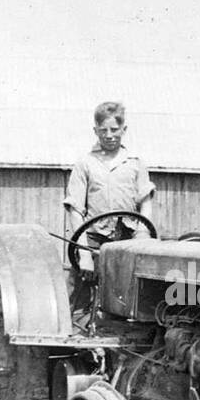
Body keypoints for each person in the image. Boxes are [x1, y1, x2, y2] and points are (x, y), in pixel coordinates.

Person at [62, 101, 155, 274]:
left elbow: (146, 202)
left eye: (114, 130)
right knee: (80, 296)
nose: (109, 135)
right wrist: (84, 255)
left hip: (128, 243)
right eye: (103, 130)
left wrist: (142, 234)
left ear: (123, 130)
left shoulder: (135, 163)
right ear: (95, 131)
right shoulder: (85, 163)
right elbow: (75, 211)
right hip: (93, 242)